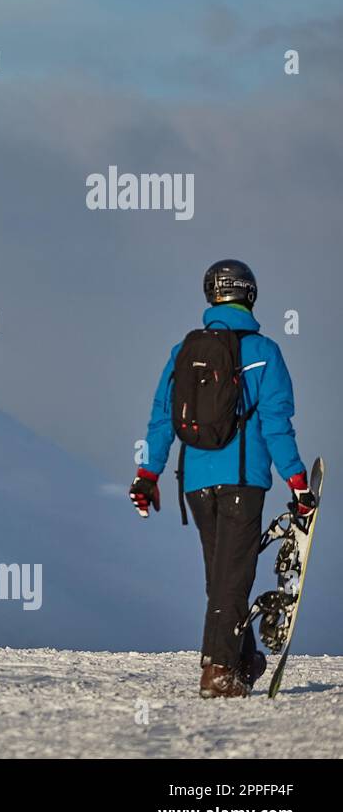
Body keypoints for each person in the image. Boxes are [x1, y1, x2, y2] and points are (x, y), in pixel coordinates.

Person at [130, 260, 314, 698]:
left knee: (222, 575)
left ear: (211, 295)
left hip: (194, 482)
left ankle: (243, 658)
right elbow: (275, 423)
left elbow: (161, 419)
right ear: (249, 295)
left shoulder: (182, 351)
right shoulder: (264, 351)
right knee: (232, 576)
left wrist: (147, 475)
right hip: (241, 481)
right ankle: (217, 672)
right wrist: (297, 481)